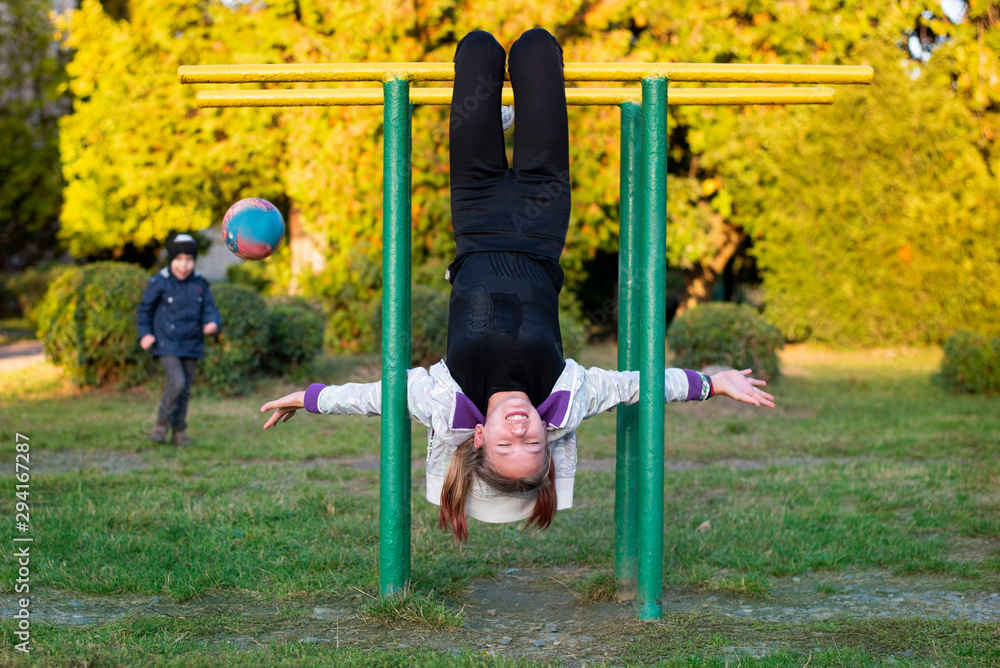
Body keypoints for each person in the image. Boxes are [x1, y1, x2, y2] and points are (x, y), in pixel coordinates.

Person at [260, 29, 775, 541]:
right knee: (535, 48)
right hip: (541, 219)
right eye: (534, 447)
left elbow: (370, 398)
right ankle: (513, 112)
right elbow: (639, 386)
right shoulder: (567, 397)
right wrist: (714, 383)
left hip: (476, 218)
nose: (522, 433)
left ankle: (495, 115)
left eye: (506, 447)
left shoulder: (445, 399)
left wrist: (304, 397)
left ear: (479, 437)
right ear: (550, 440)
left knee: (478, 49)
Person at [137, 233, 221, 446]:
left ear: (194, 261)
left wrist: (212, 323)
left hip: (192, 343)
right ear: (171, 260)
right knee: (177, 382)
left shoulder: (200, 283)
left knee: (184, 390)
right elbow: (145, 310)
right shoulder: (160, 282)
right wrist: (145, 333)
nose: (183, 265)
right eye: (179, 259)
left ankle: (179, 432)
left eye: (189, 260)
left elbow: (210, 309)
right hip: (167, 342)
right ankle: (161, 424)